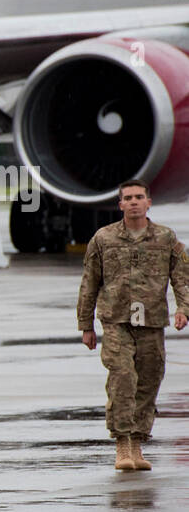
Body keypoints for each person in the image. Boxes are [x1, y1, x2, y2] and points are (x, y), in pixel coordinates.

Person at [77, 179, 189, 471]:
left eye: (140, 197)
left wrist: (184, 308)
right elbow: (89, 282)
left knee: (149, 380)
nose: (135, 202)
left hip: (151, 321)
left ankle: (137, 444)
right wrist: (85, 324)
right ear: (121, 205)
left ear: (149, 202)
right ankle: (122, 444)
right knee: (123, 376)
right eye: (129, 198)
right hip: (116, 320)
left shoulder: (166, 238)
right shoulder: (103, 238)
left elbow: (181, 276)